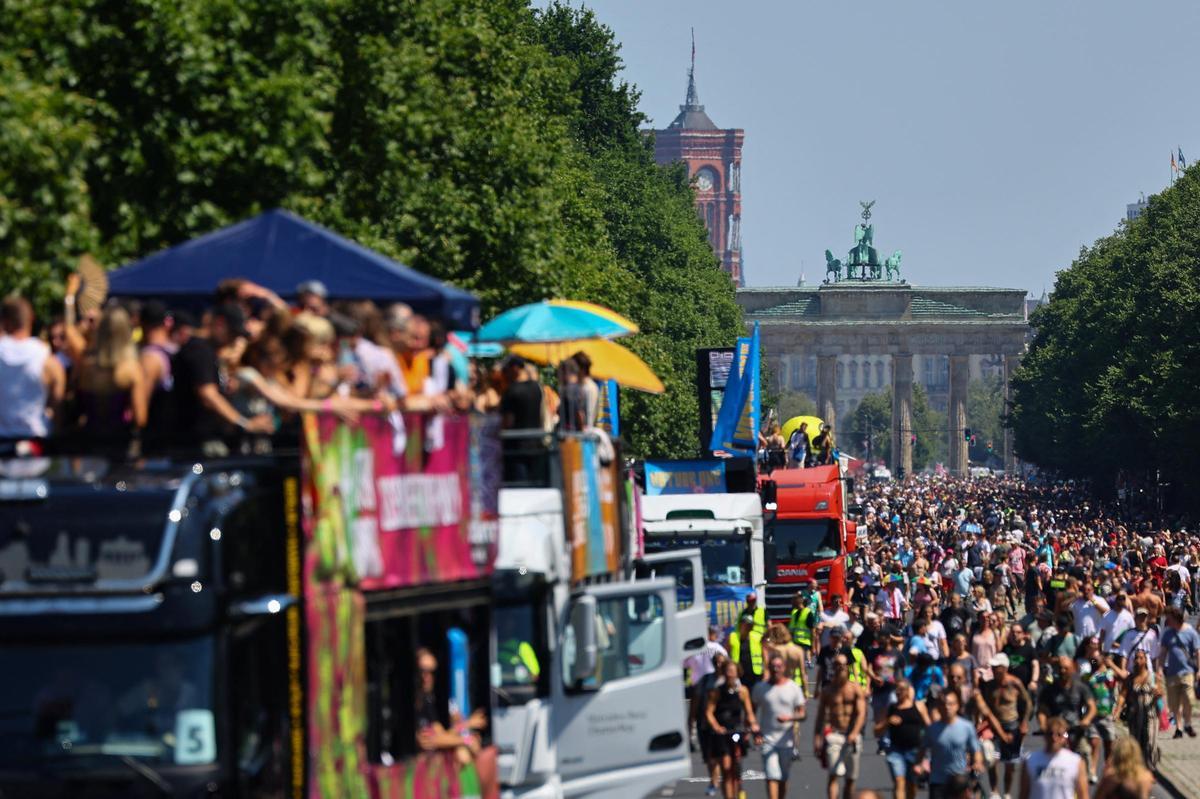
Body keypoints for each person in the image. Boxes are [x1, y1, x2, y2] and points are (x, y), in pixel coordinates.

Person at [172, 303, 274, 453]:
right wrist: (246, 424)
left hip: (207, 439)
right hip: (197, 443)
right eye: (233, 334)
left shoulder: (209, 352)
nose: (234, 341)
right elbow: (208, 395)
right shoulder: (200, 350)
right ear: (220, 323)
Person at [72, 305, 148, 448]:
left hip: (89, 440)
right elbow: (140, 418)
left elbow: (79, 407)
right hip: (120, 441)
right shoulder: (132, 369)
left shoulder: (86, 366)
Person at [0, 296, 66, 438]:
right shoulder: (47, 359)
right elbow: (58, 406)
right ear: (31, 318)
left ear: (4, 322)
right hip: (35, 444)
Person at [975, 653, 1032, 799]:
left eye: (996, 667)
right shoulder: (990, 685)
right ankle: (994, 792)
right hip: (993, 728)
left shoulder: (1015, 683)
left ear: (1004, 668)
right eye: (992, 667)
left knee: (1010, 765)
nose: (993, 670)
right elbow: (986, 706)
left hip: (1011, 725)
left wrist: (1024, 722)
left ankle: (1006, 793)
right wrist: (980, 722)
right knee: (991, 760)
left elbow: (1028, 704)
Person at [753, 654, 808, 799]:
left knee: (783, 778)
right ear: (769, 668)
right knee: (772, 776)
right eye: (773, 666)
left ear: (784, 668)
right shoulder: (760, 688)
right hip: (767, 740)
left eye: (779, 666)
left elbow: (803, 714)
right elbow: (750, 712)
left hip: (787, 740)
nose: (776, 669)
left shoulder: (793, 688)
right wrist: (755, 730)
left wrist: (789, 717)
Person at [813, 653, 867, 799]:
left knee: (850, 779)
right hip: (834, 736)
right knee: (833, 775)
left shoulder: (855, 689)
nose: (840, 667)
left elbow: (862, 713)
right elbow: (820, 717)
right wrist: (817, 738)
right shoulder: (828, 691)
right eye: (837, 664)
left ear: (847, 667)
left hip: (852, 736)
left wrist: (855, 732)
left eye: (843, 665)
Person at [706, 659, 760, 799]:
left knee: (735, 767)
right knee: (726, 767)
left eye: (732, 672)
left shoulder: (742, 691)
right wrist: (717, 727)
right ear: (724, 673)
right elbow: (709, 712)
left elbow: (749, 713)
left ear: (737, 673)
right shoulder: (717, 691)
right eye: (727, 671)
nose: (730, 674)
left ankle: (738, 790)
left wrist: (753, 726)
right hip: (722, 733)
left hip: (737, 731)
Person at [874, 677, 929, 799]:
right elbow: (876, 731)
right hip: (895, 750)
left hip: (915, 751)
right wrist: (888, 722)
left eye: (901, 690)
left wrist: (928, 747)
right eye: (896, 690)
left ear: (909, 690)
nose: (898, 692)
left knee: (911, 786)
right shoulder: (891, 708)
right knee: (899, 782)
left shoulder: (919, 706)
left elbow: (929, 727)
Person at [922, 691, 983, 799]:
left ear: (957, 706)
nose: (947, 707)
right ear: (938, 707)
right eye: (943, 704)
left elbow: (976, 749)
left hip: (958, 779)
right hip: (938, 780)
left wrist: (978, 762)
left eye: (950, 704)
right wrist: (918, 764)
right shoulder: (932, 729)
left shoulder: (966, 727)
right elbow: (922, 748)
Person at [1017, 716, 1087, 799]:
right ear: (1045, 735)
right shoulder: (1030, 761)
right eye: (1050, 734)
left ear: (1064, 738)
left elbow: (1083, 795)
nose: (1054, 738)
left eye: (1059, 734)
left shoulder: (1076, 762)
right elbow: (1023, 794)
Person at [1157, 605, 1200, 739]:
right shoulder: (1167, 633)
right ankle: (1179, 728)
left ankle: (1187, 723)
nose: (1167, 621)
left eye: (1169, 618)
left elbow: (1197, 652)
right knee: (1174, 703)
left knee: (1189, 699)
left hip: (1188, 672)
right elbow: (1163, 652)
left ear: (1176, 619)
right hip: (1172, 672)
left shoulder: (1190, 632)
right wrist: (1159, 668)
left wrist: (1199, 670)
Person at [693, 652, 730, 797]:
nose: (719, 665)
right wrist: (692, 721)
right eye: (717, 663)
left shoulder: (731, 680)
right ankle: (714, 781)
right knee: (710, 757)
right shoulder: (706, 680)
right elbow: (696, 700)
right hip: (706, 723)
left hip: (725, 724)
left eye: (722, 662)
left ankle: (724, 782)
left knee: (725, 756)